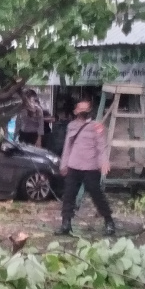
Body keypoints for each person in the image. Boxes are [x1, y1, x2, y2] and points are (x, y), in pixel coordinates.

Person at [55, 99, 116, 236]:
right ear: (75, 111)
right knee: (68, 195)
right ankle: (66, 224)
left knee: (97, 195)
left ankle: (109, 221)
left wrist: (104, 162)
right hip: (73, 165)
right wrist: (64, 164)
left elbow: (101, 147)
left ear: (89, 111)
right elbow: (67, 146)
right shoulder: (71, 126)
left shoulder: (97, 126)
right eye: (80, 109)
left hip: (91, 167)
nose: (82, 111)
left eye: (85, 109)